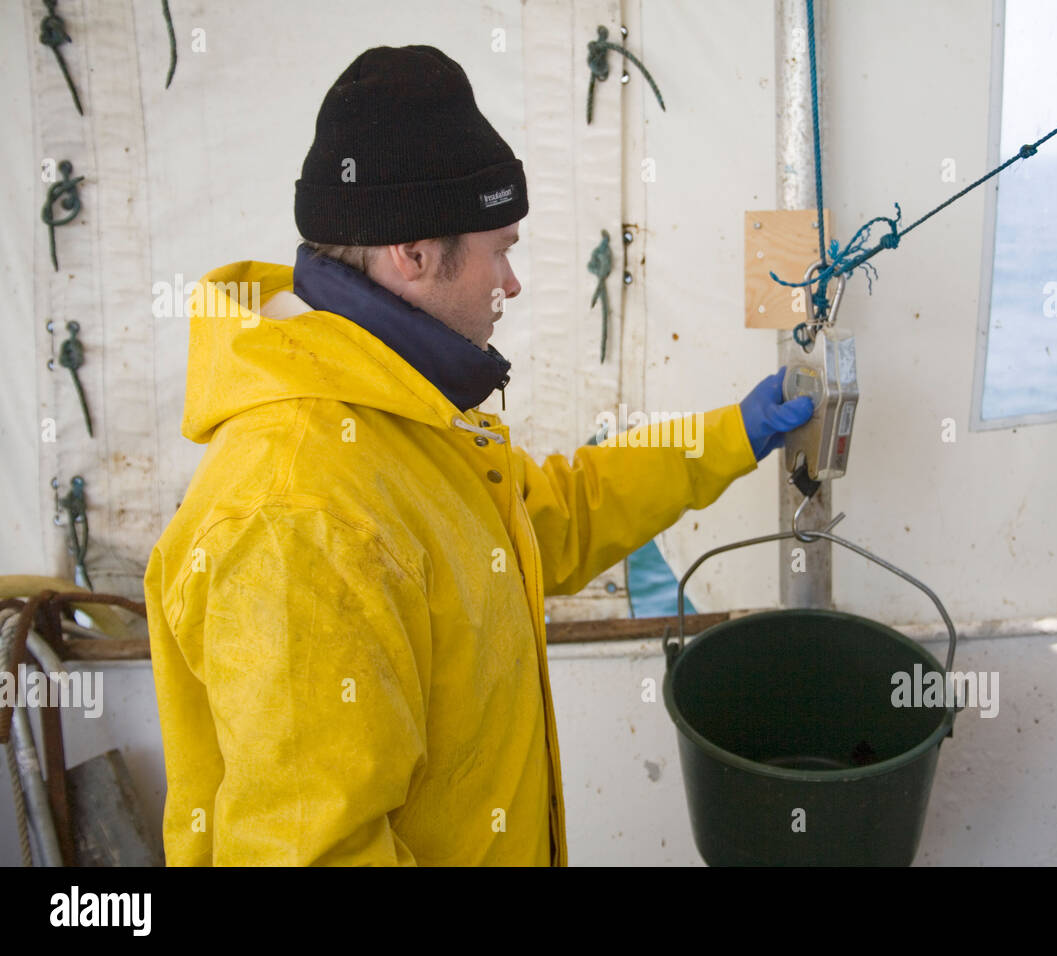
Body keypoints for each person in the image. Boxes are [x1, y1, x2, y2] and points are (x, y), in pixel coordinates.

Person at [142, 45, 814, 866]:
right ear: (413, 255)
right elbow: (315, 851)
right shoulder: (300, 518)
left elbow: (551, 521)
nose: (513, 280)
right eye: (501, 248)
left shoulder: (396, 415)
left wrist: (727, 438)